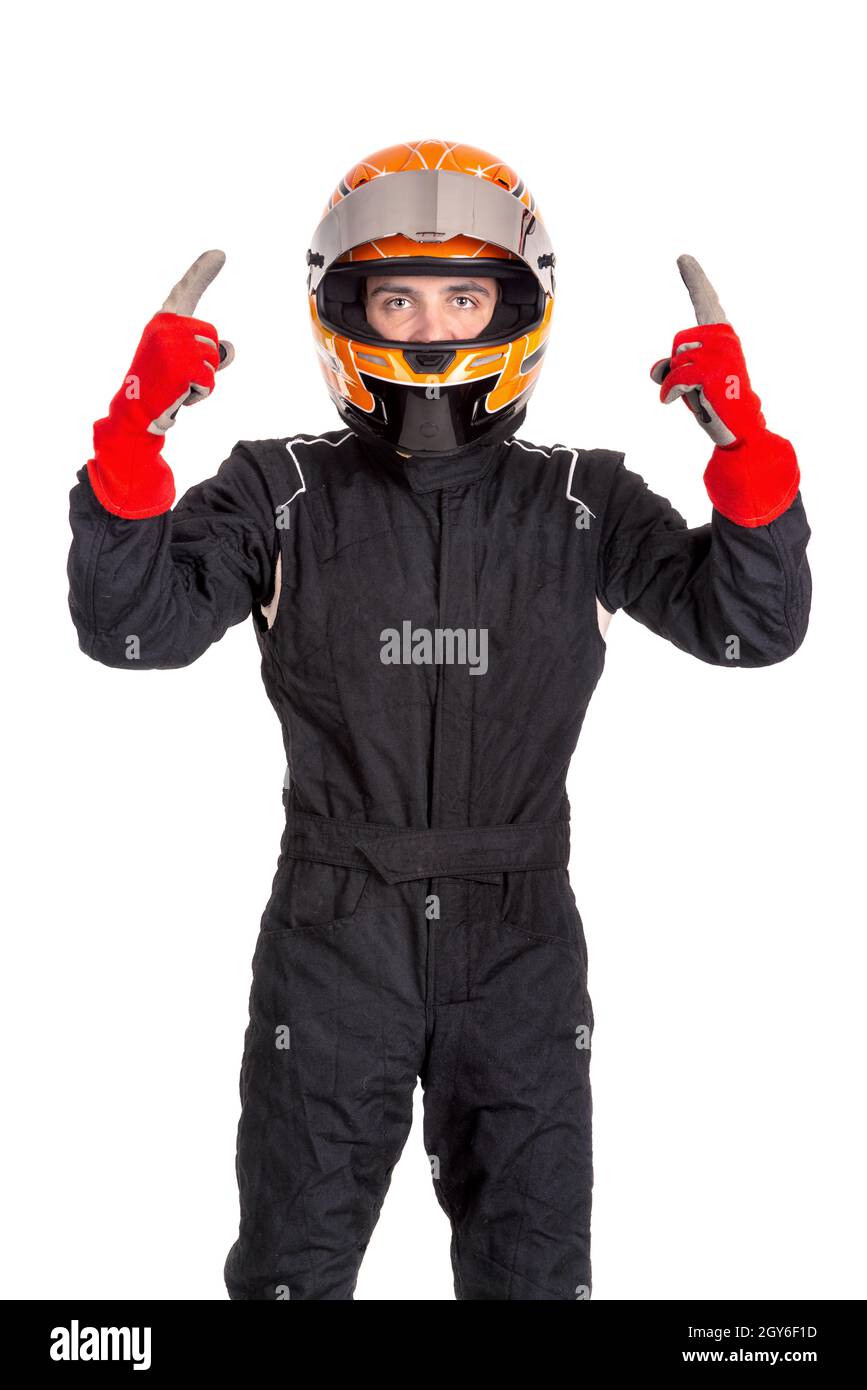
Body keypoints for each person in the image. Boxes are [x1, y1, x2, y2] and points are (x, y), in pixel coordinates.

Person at [67, 139, 811, 1301]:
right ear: (343, 309)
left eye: (462, 295)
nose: (427, 330)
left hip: (518, 944)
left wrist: (747, 453)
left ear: (513, 305)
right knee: (289, 1273)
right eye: (394, 296)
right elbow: (132, 630)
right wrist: (131, 439)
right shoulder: (279, 489)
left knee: (533, 1276)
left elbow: (750, 626)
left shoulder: (584, 500)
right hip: (334, 932)